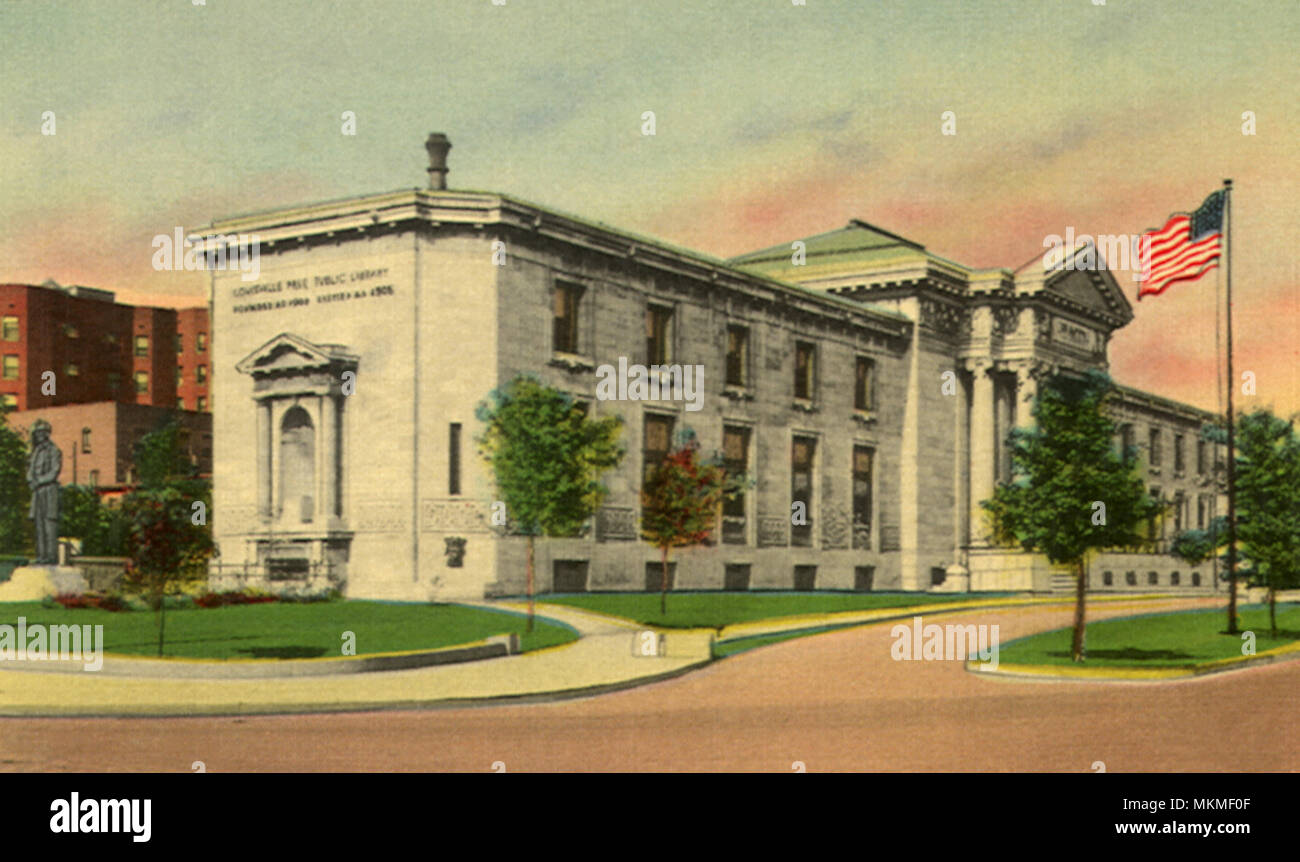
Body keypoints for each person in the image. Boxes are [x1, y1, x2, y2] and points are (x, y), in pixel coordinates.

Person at [26, 419, 62, 564]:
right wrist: (30, 480)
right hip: (37, 492)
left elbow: (54, 471)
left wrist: (39, 481)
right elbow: (30, 470)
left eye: (42, 432)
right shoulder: (35, 451)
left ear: (47, 433)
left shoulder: (54, 450)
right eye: (37, 432)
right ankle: (41, 556)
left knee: (49, 524)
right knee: (39, 524)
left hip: (49, 490)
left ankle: (51, 556)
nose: (39, 435)